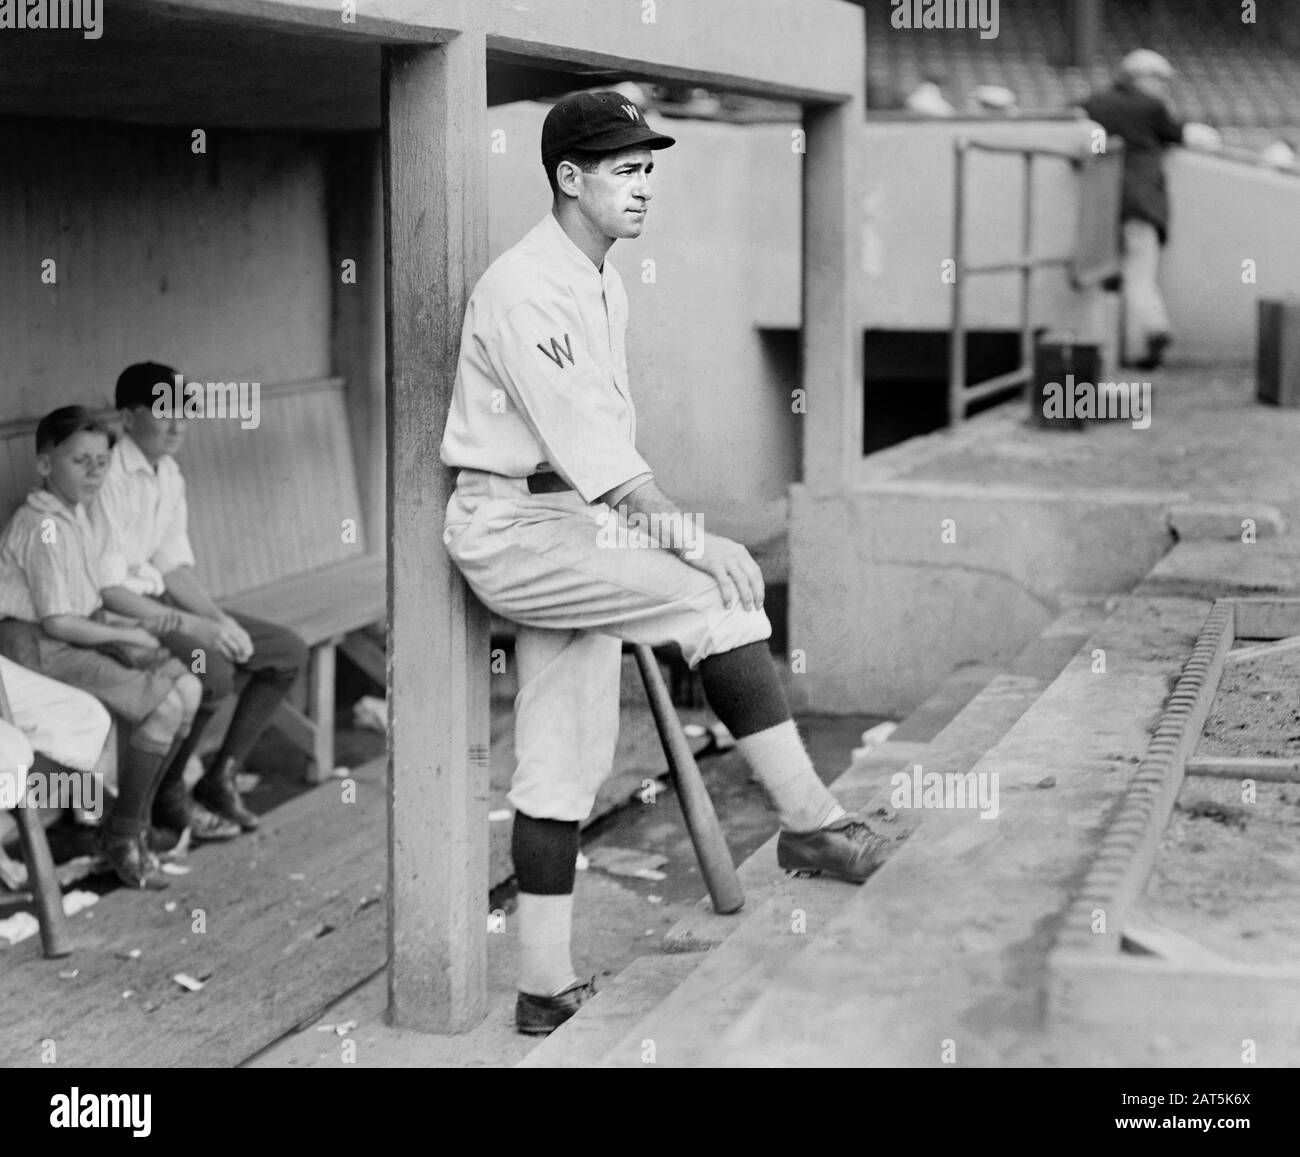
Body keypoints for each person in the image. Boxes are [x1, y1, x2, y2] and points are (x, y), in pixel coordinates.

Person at [440, 90, 893, 1036]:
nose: (644, 186)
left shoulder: (598, 275)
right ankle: (810, 823)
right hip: (516, 527)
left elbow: (599, 466)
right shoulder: (526, 285)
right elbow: (609, 473)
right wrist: (696, 538)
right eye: (623, 169)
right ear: (569, 178)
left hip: (562, 522)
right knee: (718, 597)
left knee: (562, 765)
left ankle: (542, 987)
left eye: (649, 167)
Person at [91, 363, 308, 840]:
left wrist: (216, 618)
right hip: (119, 613)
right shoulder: (106, 476)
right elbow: (110, 590)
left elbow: (172, 566)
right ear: (127, 418)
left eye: (184, 412)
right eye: (163, 411)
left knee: (284, 652)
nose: (177, 425)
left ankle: (219, 778)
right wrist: (200, 629)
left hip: (160, 598)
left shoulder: (168, 472)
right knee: (213, 671)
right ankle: (170, 796)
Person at [0, 407, 202, 889]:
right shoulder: (42, 525)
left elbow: (85, 603)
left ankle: (133, 822)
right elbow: (58, 621)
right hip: (37, 648)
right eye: (79, 461)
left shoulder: (78, 513)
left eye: (101, 461)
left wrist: (123, 629)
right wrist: (128, 635)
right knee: (162, 710)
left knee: (188, 689)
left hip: (75, 634)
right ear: (47, 466)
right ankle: (122, 836)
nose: (94, 471)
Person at [1081, 49, 1221, 369]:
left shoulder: (1096, 102)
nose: (1162, 86)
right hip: (1140, 202)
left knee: (1107, 276)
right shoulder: (1151, 107)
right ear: (1139, 76)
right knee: (1138, 275)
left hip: (1102, 203)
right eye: (1158, 78)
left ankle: (1125, 340)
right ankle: (1144, 339)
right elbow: (1180, 135)